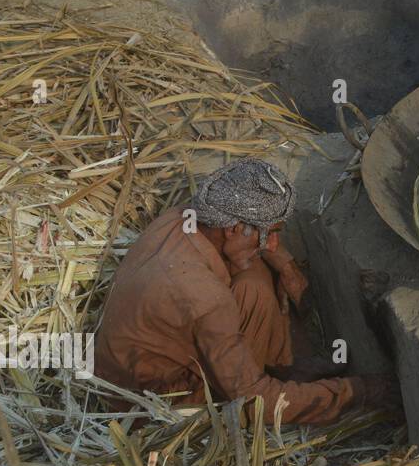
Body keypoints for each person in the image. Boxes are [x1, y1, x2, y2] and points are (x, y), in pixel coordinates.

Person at [95, 158, 397, 424]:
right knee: (253, 281)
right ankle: (278, 379)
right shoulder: (204, 297)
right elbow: (255, 404)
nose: (275, 245)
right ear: (233, 229)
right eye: (272, 234)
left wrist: (287, 268)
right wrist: (360, 392)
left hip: (133, 362)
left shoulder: (184, 219)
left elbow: (254, 250)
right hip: (154, 404)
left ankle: (284, 365)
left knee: (253, 278)